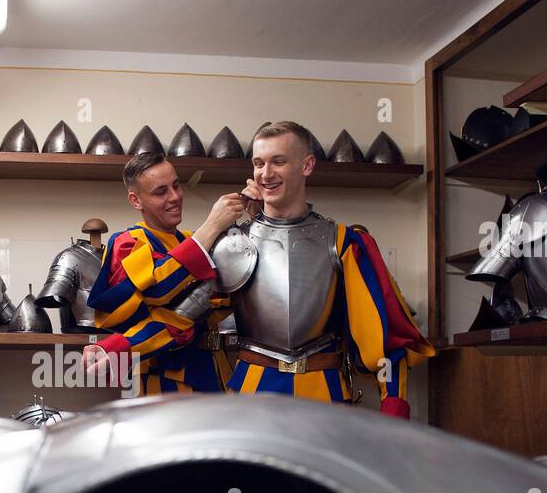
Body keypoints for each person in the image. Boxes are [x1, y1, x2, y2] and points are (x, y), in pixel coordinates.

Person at [182, 121, 433, 413]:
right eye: (258, 163)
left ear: (307, 165)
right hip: (250, 391)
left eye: (279, 161)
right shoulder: (234, 243)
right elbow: (183, 322)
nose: (266, 174)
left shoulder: (344, 242)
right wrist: (212, 229)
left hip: (324, 390)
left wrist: (394, 399)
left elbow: (384, 336)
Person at [84, 151, 244, 394]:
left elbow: (223, 298)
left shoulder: (190, 240)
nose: (175, 197)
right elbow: (159, 289)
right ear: (136, 201)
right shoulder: (128, 242)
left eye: (176, 185)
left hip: (215, 370)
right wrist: (211, 227)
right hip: (166, 379)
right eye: (161, 191)